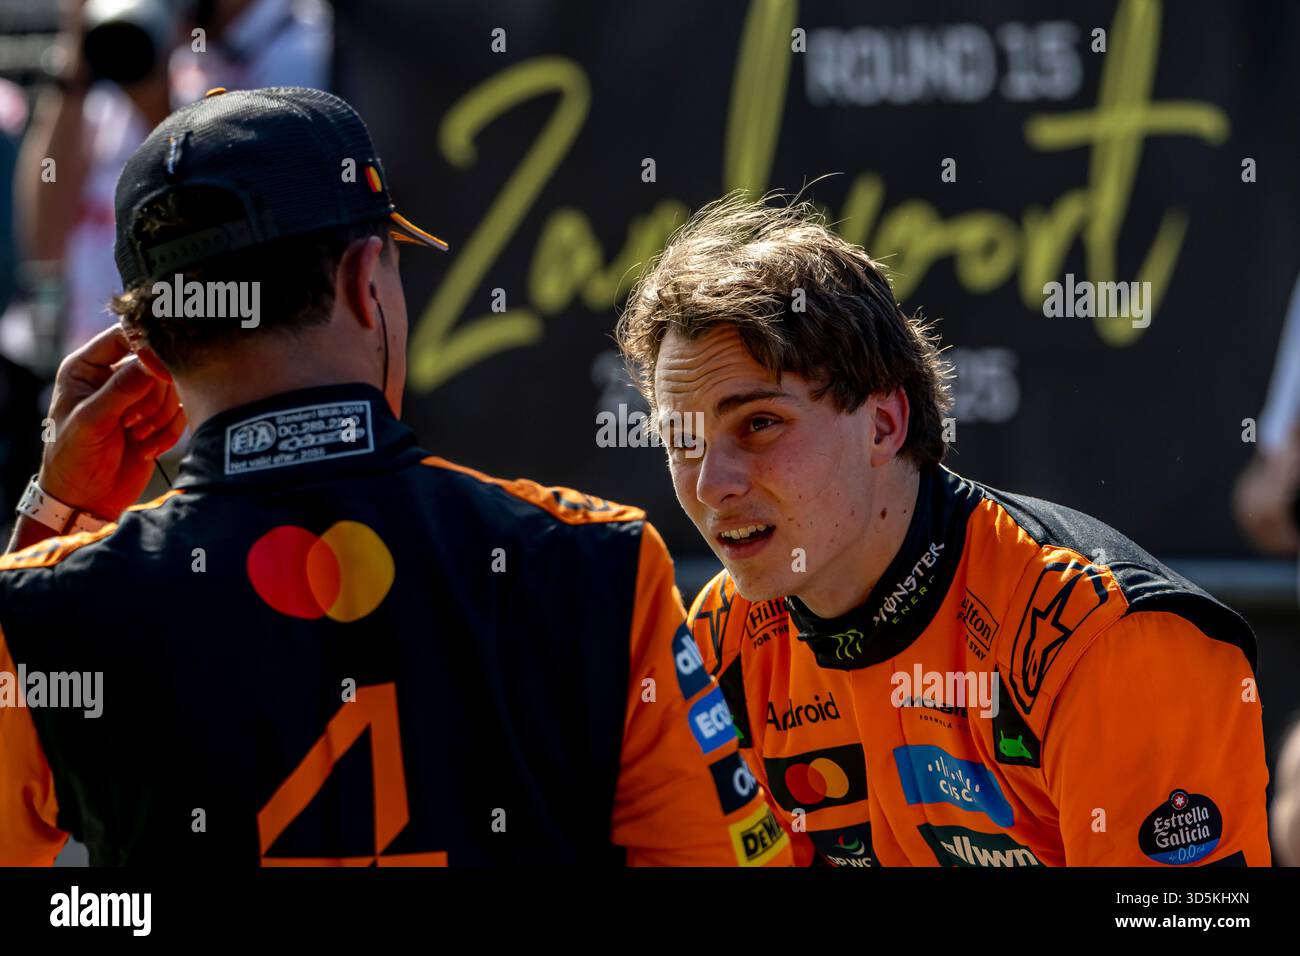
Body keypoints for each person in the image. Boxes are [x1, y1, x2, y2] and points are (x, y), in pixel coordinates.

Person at [0, 88, 790, 867]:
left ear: (143, 343)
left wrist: (56, 514)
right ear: (362, 281)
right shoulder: (591, 565)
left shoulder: (49, 610)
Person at [614, 193, 1271, 867]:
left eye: (758, 424)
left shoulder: (1105, 640)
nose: (710, 483)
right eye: (683, 440)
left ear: (883, 424)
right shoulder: (725, 636)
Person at [14, 0, 332, 352]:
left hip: (205, 373)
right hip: (104, 373)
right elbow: (44, 248)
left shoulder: (299, 50)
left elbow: (245, 246)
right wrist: (75, 73)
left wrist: (156, 110)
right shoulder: (149, 42)